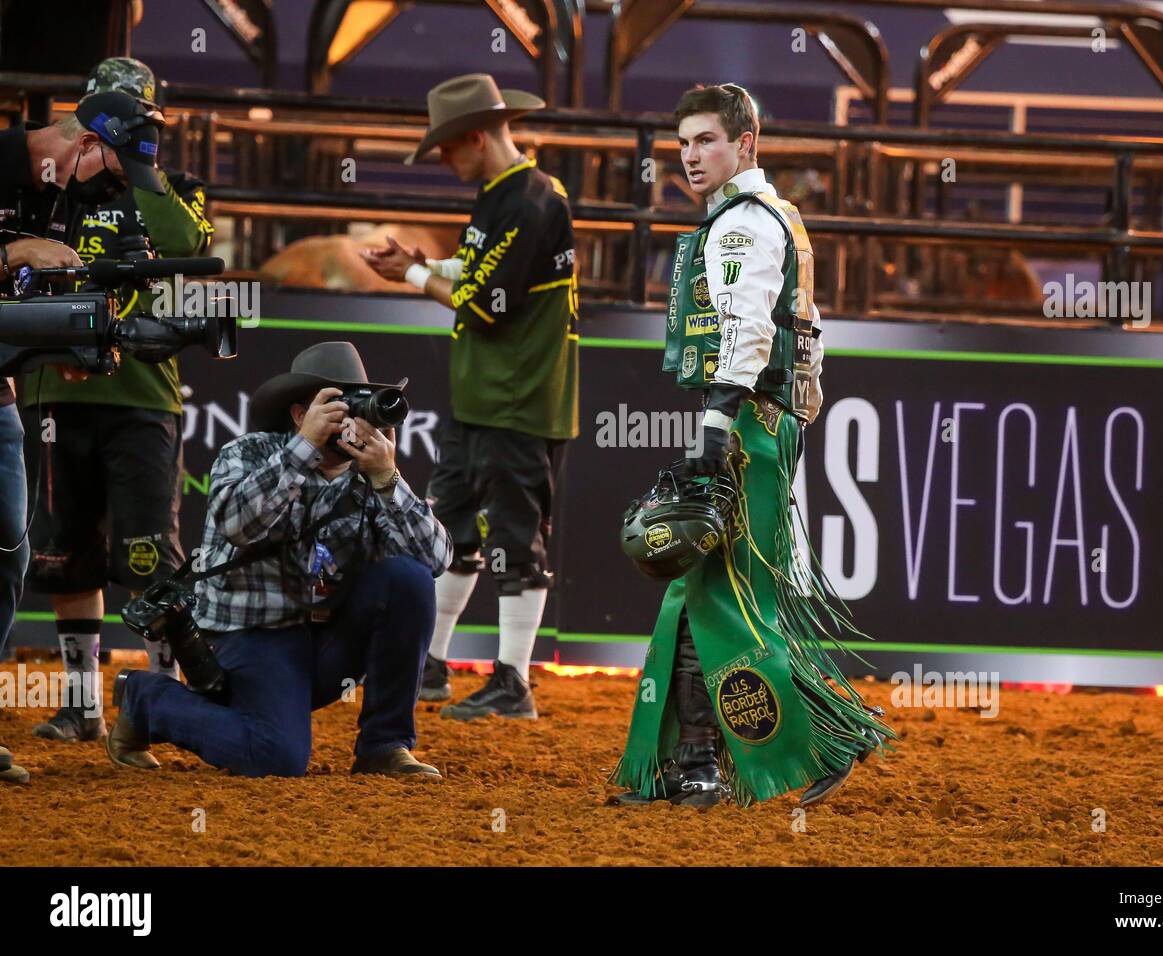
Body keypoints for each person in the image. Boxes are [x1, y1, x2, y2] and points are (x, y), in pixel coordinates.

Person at [610, 84, 896, 809]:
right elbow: (808, 323)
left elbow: (746, 329)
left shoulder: (739, 224)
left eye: (705, 139)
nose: (690, 156)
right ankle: (692, 759)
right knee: (711, 588)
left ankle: (789, 741)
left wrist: (716, 426)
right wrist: (803, 397)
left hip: (741, 421)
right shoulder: (780, 218)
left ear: (746, 142)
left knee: (715, 590)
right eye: (682, 143)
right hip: (765, 421)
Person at [105, 342, 454, 778]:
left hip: (322, 639)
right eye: (336, 404)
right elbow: (238, 525)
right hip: (253, 636)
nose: (351, 419)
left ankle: (384, 745)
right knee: (274, 756)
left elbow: (436, 561)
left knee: (409, 579)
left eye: (358, 405)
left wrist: (388, 477)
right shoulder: (248, 453)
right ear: (298, 414)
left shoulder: (372, 475)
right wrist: (304, 448)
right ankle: (146, 699)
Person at [361, 73, 579, 721]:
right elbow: (482, 271)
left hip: (520, 398)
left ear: (476, 137)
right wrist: (427, 267)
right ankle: (432, 663)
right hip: (489, 396)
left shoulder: (531, 200)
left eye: (448, 149)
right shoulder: (507, 195)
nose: (444, 162)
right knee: (453, 525)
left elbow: (485, 303)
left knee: (514, 535)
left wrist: (418, 273)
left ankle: (513, 680)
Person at [20, 58, 215, 745]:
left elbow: (188, 244)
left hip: (141, 395)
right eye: (108, 119)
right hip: (52, 392)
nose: (116, 132)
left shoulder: (175, 188)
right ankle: (83, 707)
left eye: (134, 120)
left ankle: (161, 703)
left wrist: (140, 165)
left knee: (147, 556)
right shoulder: (48, 191)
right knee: (65, 553)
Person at [1, 86, 167, 784]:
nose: (110, 187)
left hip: (2, 393)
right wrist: (12, 252)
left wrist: (66, 339)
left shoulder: (61, 197)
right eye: (111, 167)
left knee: (8, 551)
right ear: (86, 145)